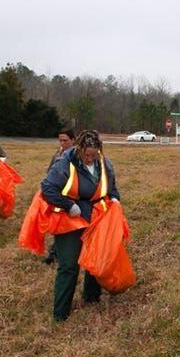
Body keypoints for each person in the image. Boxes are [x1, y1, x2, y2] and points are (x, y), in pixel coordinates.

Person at [41, 130, 120, 321]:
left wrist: (115, 199)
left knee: (94, 261)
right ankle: (60, 314)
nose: (89, 158)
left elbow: (112, 188)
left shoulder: (105, 164)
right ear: (79, 149)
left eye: (93, 155)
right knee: (69, 265)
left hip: (95, 219)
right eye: (86, 154)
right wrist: (69, 204)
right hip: (69, 220)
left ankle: (91, 298)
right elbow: (47, 188)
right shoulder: (65, 163)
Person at [43, 129, 77, 265]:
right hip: (57, 195)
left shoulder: (76, 156)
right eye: (60, 140)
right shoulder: (58, 154)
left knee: (66, 226)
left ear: (73, 140)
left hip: (70, 196)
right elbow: (50, 172)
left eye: (65, 140)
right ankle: (54, 252)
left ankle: (56, 253)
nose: (62, 143)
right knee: (58, 224)